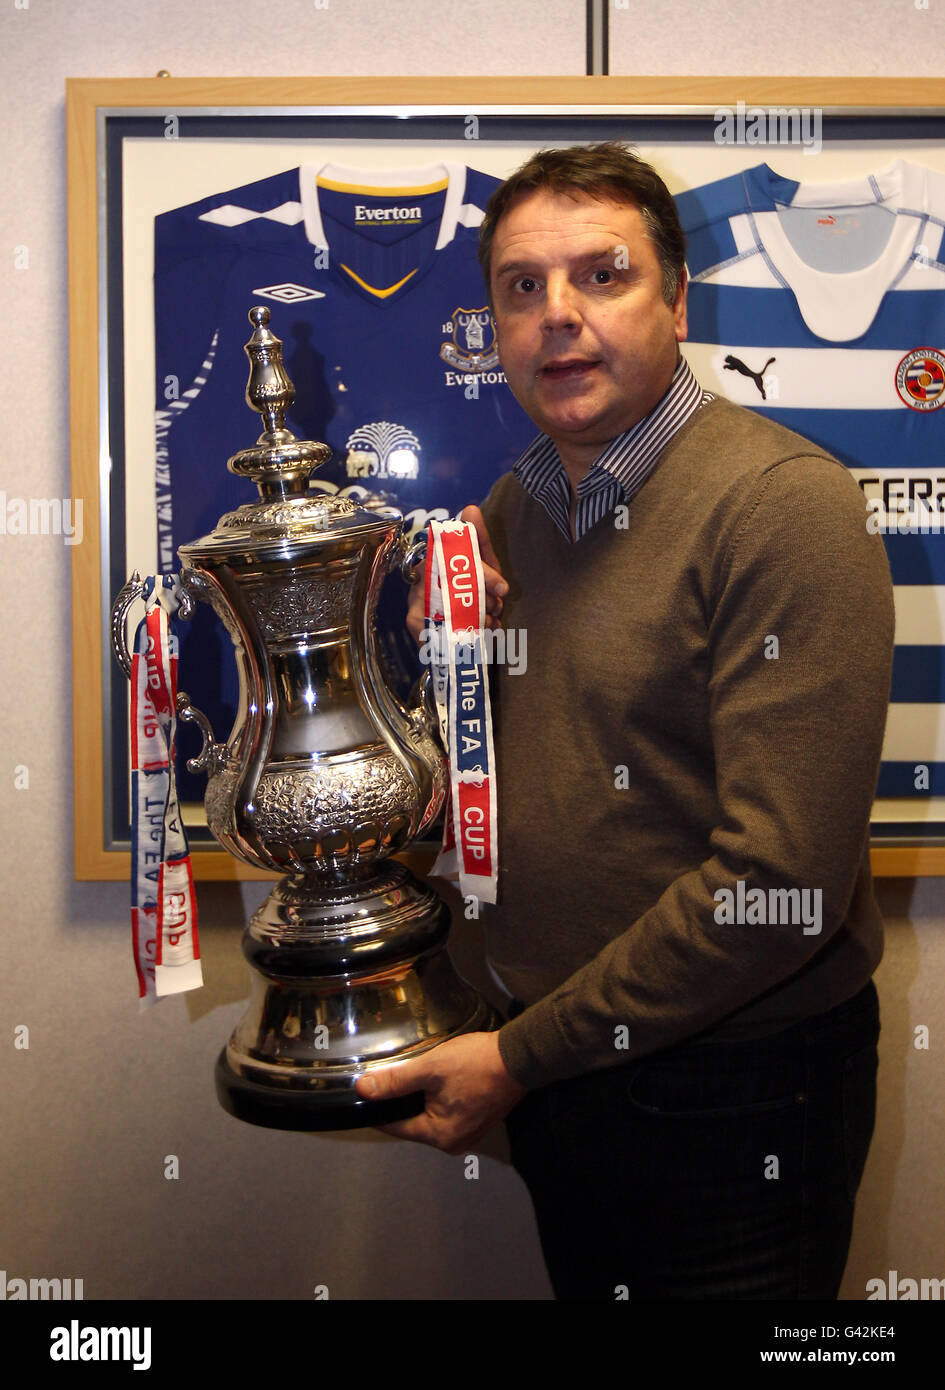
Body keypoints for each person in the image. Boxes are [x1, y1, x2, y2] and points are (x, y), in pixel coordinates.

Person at [355, 142, 895, 1300]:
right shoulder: (516, 504)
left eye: (602, 275)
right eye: (521, 287)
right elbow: (540, 775)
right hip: (564, 1063)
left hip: (731, 1088)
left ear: (678, 297)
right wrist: (456, 663)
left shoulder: (783, 507)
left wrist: (515, 1057)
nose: (558, 316)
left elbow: (776, 882)